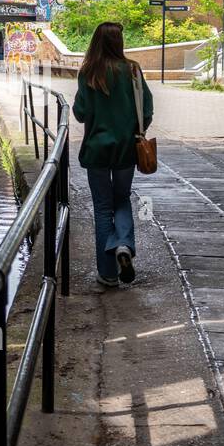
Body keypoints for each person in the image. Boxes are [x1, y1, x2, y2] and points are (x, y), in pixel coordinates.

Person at [72, 22, 154, 287]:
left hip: (96, 150)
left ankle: (107, 274)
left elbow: (80, 113)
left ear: (95, 42)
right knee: (121, 199)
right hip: (125, 149)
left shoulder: (88, 72)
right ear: (119, 42)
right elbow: (148, 110)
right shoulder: (132, 70)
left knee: (102, 208)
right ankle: (124, 245)